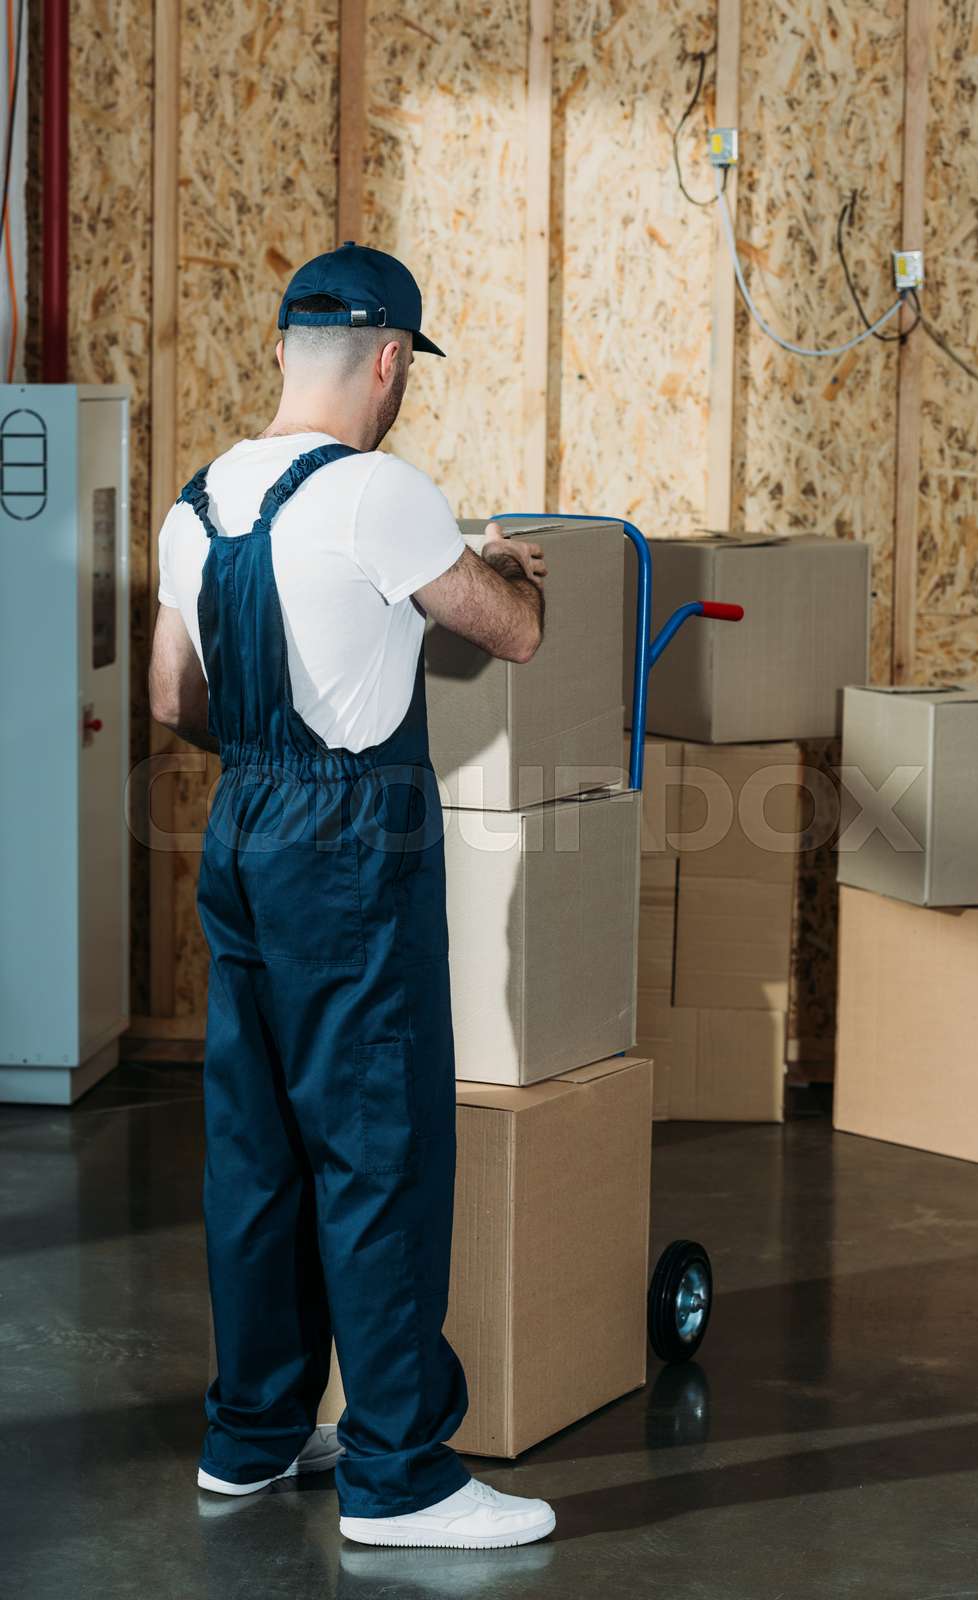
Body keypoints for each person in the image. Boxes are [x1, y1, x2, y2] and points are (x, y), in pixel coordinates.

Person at [148, 243, 555, 1550]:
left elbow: (172, 698)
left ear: (286, 349)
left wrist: (273, 757)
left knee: (258, 1147)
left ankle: (254, 1437)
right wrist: (500, 564)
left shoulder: (197, 502)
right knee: (376, 1147)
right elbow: (513, 632)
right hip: (351, 845)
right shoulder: (383, 493)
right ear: (390, 361)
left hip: (244, 829)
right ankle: (397, 1474)